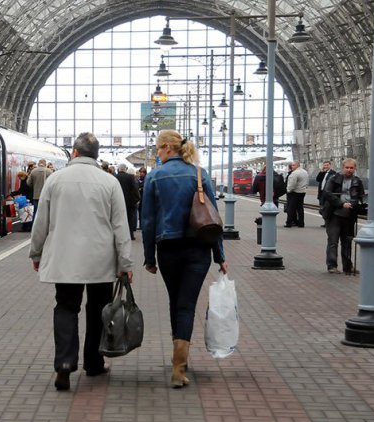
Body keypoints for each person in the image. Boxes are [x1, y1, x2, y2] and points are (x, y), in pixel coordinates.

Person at [29, 132, 133, 392]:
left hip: (65, 259)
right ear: (95, 156)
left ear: (74, 153)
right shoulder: (109, 182)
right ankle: (94, 363)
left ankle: (64, 363)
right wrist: (126, 264)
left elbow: (41, 222)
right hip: (101, 259)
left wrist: (36, 252)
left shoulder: (55, 180)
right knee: (99, 308)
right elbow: (121, 226)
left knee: (66, 307)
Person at [141, 130, 227, 388]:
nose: (158, 153)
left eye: (158, 148)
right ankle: (180, 365)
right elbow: (213, 217)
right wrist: (219, 255)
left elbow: (147, 221)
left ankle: (178, 358)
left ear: (167, 147)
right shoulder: (199, 174)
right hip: (198, 249)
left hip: (168, 249)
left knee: (175, 301)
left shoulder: (154, 177)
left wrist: (148, 257)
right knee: (187, 305)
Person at [322, 158, 365, 274]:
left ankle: (347, 266)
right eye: (347, 167)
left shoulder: (357, 181)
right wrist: (341, 203)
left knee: (347, 241)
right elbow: (327, 193)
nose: (349, 170)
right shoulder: (333, 178)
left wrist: (357, 204)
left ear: (355, 168)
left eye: (352, 168)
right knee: (333, 241)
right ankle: (332, 265)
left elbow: (361, 196)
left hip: (349, 216)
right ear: (342, 167)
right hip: (334, 214)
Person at [116, 164, 140, 240]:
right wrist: (136, 199)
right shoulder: (130, 177)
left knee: (118, 220)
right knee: (129, 219)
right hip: (129, 203)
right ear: (125, 169)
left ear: (119, 169)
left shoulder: (115, 177)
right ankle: (130, 235)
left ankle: (119, 236)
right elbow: (134, 189)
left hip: (117, 202)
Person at [285, 161, 308, 228]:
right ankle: (301, 223)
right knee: (300, 208)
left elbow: (292, 184)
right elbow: (307, 182)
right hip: (302, 192)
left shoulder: (294, 173)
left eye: (293, 165)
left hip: (294, 193)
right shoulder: (305, 172)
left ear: (297, 165)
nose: (292, 166)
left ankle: (289, 223)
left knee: (291, 208)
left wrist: (288, 190)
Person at [316, 161, 337, 227]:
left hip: (328, 193)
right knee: (322, 208)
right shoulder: (322, 173)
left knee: (327, 208)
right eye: (324, 165)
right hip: (322, 192)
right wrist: (321, 172)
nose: (326, 166)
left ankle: (328, 222)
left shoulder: (333, 173)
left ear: (330, 165)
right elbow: (318, 179)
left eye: (327, 165)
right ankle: (326, 222)